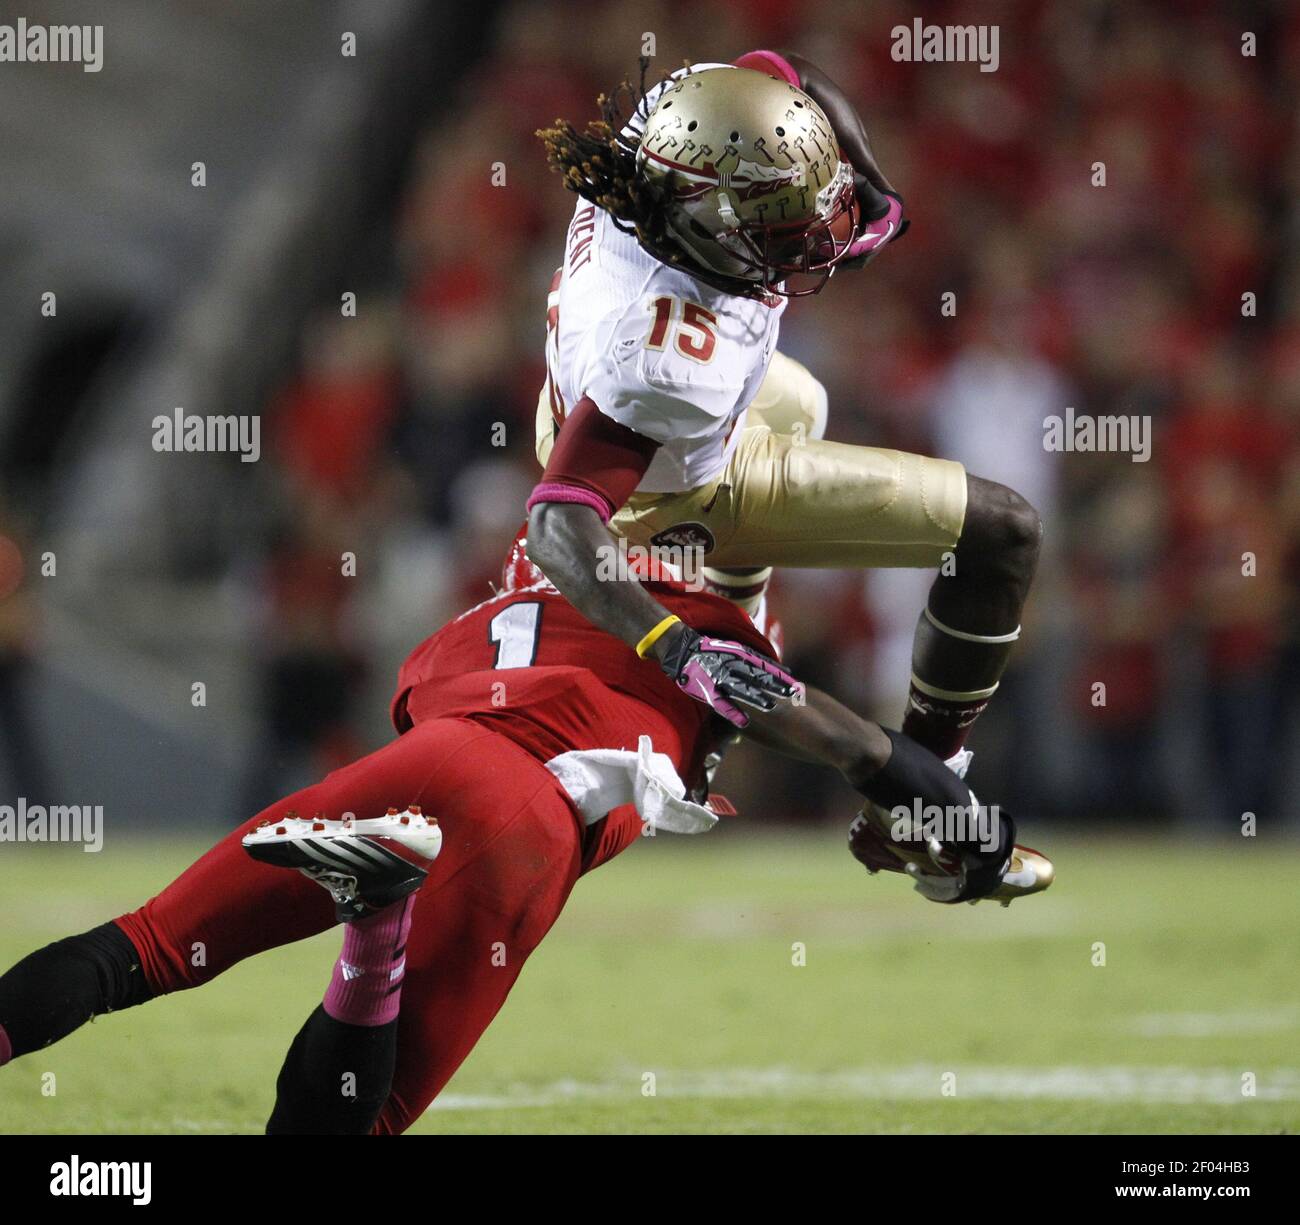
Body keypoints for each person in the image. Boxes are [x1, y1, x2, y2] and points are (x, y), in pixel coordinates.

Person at [0, 532, 1050, 1135]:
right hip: (528, 819)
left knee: (139, 945)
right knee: (353, 1125)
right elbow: (861, 748)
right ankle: (373, 936)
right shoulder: (707, 639)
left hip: (426, 758)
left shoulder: (524, 586)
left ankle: (375, 900)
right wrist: (978, 829)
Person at [528, 51, 1041, 788]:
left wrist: (868, 178)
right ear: (707, 228)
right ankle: (928, 786)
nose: (812, 237)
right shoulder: (664, 354)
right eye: (778, 224)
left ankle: (736, 611)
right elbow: (557, 518)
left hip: (580, 405)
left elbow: (777, 69)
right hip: (663, 490)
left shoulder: (678, 125)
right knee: (1004, 529)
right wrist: (676, 647)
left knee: (801, 401)